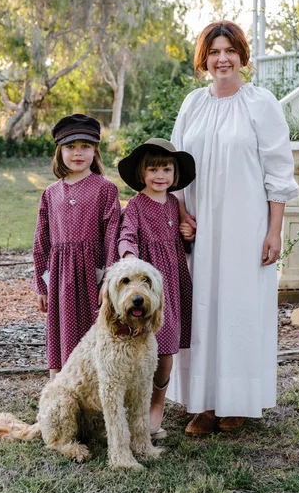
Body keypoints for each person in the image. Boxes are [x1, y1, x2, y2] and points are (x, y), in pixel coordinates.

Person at [168, 20, 299, 434]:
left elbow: (278, 171)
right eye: (214, 52)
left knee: (238, 309)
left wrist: (274, 231)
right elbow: (174, 169)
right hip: (199, 228)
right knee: (202, 308)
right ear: (203, 59)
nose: (222, 59)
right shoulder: (193, 104)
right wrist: (182, 216)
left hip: (245, 226)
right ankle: (203, 404)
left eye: (229, 50)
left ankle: (236, 401)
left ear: (243, 56)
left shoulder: (261, 104)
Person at [117, 138, 195, 440]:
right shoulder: (136, 205)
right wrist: (129, 256)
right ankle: (135, 408)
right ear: (142, 173)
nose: (160, 176)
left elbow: (185, 235)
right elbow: (127, 234)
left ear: (174, 174)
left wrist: (189, 232)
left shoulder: (175, 204)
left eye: (166, 169)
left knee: (166, 349)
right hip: (146, 286)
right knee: (142, 348)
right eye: (153, 169)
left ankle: (157, 406)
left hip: (171, 287)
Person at [32, 113, 121, 380]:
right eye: (70, 147)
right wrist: (40, 283)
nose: (78, 153)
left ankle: (91, 397)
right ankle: (58, 396)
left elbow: (112, 237)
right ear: (60, 152)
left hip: (91, 275)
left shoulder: (106, 189)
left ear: (95, 150)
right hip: (60, 277)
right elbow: (41, 241)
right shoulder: (50, 193)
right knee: (60, 335)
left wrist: (108, 280)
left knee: (93, 336)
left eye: (85, 146)